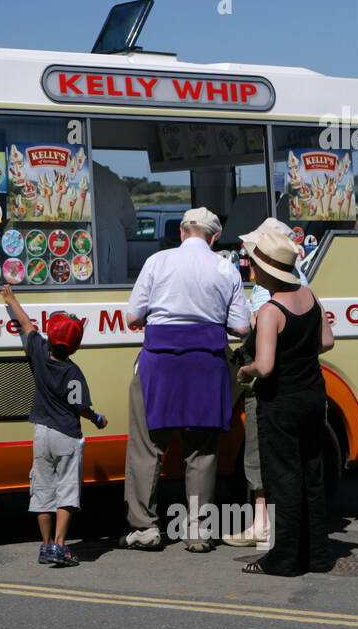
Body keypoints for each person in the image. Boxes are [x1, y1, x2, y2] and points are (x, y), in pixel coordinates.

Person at [121, 207, 250, 552]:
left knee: (148, 446)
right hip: (205, 364)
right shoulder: (225, 267)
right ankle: (198, 531)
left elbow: (133, 316)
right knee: (202, 450)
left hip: (159, 364)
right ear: (214, 238)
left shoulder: (157, 261)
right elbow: (241, 328)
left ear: (181, 232)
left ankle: (145, 527)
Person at [236, 230, 336, 576]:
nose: (251, 269)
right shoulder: (309, 295)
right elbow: (327, 341)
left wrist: (246, 371)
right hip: (313, 395)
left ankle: (285, 558)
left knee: (283, 479)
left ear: (265, 271)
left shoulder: (270, 310)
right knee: (312, 473)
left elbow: (265, 366)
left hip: (281, 402)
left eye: (253, 265)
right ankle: (318, 554)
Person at [1, 284, 107, 568]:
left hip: (41, 433)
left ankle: (46, 545)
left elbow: (25, 323)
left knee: (43, 489)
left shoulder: (37, 351)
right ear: (76, 345)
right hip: (66, 436)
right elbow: (80, 407)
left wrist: (11, 300)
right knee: (67, 491)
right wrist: (97, 419)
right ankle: (61, 546)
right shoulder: (73, 371)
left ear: (50, 336)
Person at [224, 218, 302, 547]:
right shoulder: (301, 287)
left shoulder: (268, 291)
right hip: (294, 383)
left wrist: (246, 369)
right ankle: (282, 522)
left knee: (258, 452)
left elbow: (259, 338)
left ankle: (262, 524)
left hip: (264, 383)